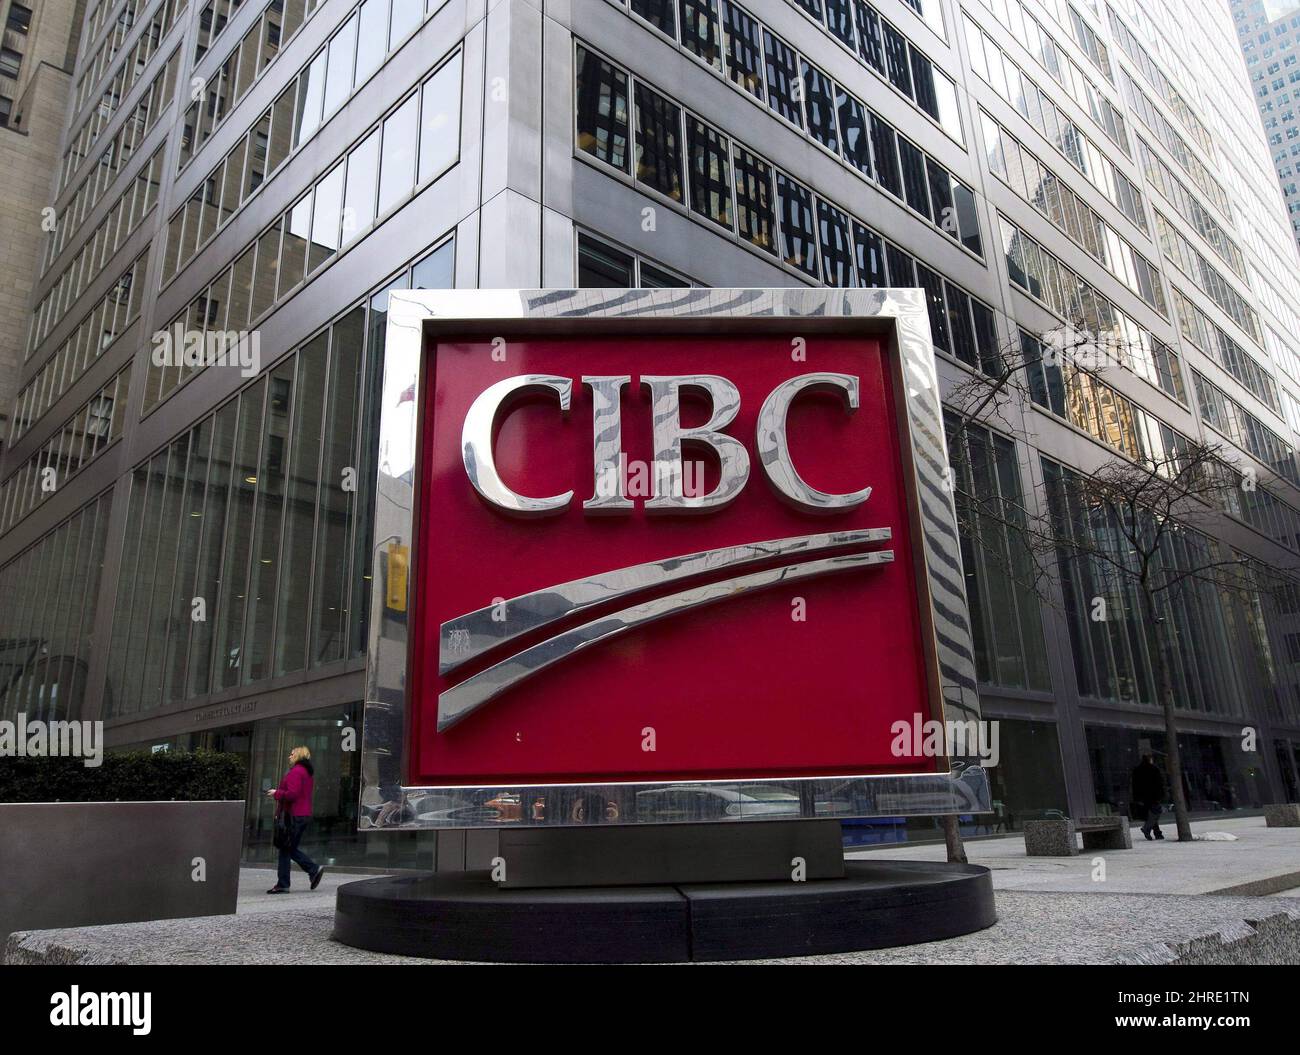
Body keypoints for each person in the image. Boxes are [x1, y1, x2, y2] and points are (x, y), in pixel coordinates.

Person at [266, 746, 326, 893]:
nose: (289, 756)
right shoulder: (306, 773)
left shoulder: (296, 772)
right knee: (288, 848)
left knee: (285, 848)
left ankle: (286, 882)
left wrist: (276, 793)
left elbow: (292, 794)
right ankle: (311, 871)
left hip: (293, 816)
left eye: (292, 754)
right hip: (301, 814)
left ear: (298, 755)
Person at [1130, 753, 1166, 841]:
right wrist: (1162, 794)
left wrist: (1136, 797)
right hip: (1153, 795)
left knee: (1152, 814)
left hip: (1143, 795)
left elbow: (1135, 785)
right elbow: (1159, 783)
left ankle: (1156, 832)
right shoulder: (1154, 769)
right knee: (1156, 812)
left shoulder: (1137, 770)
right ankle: (1148, 829)